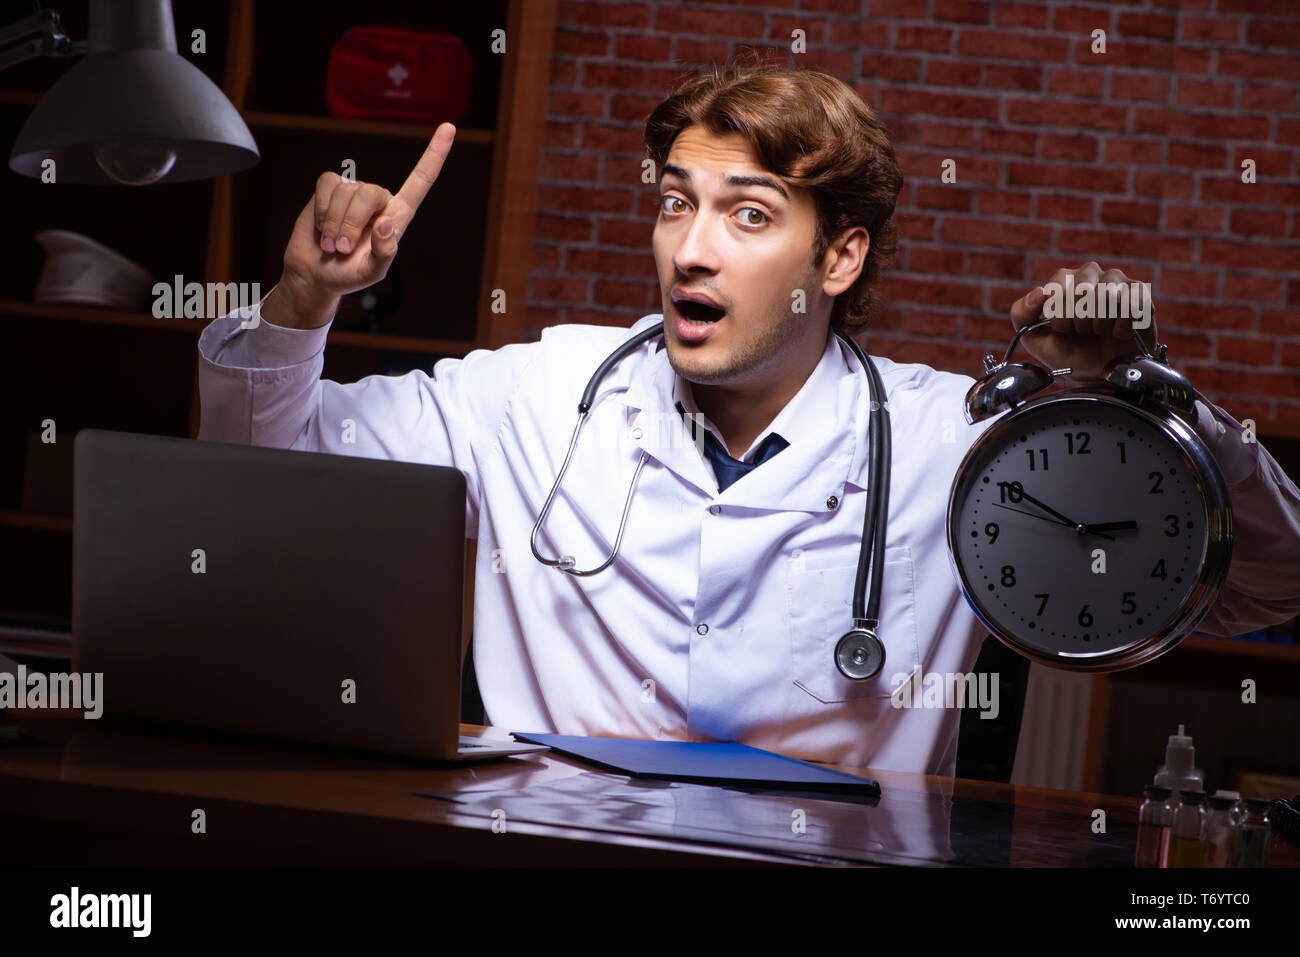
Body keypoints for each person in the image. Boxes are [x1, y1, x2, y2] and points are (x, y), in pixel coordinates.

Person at [196, 64, 1300, 777]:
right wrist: (307, 299)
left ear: (839, 257)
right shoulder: (528, 395)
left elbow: (1268, 584)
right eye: (676, 202)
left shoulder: (957, 442)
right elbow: (258, 484)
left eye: (748, 214)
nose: (691, 247)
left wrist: (1149, 386)